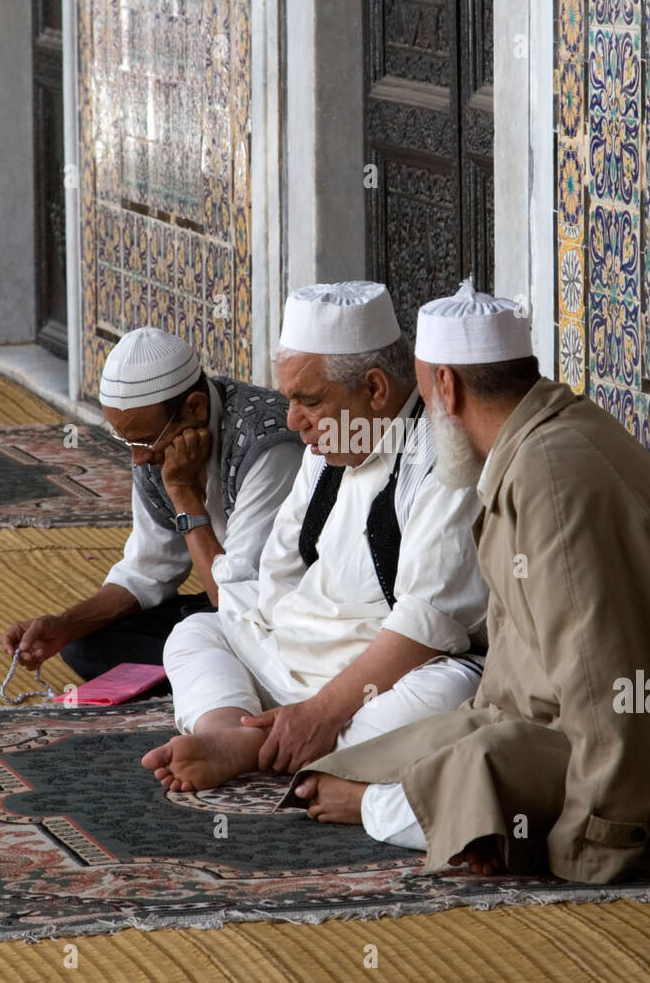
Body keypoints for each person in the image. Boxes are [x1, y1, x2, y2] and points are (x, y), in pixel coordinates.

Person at [283, 280, 650, 885]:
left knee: (478, 765)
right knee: (352, 764)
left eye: (422, 391)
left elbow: (614, 702)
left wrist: (587, 851)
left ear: (445, 385)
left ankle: (382, 808)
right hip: (552, 730)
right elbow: (510, 685)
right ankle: (393, 795)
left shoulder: (554, 480)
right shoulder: (532, 447)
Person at [141, 280, 488, 791]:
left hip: (384, 678)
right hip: (296, 654)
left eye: (309, 401)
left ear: (375, 389)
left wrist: (321, 712)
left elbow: (427, 624)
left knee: (451, 693)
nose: (293, 421)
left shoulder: (444, 459)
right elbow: (278, 571)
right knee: (197, 633)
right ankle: (227, 729)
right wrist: (274, 640)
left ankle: (258, 742)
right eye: (289, 401)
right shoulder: (329, 445)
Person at [1, 328, 303, 680]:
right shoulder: (151, 445)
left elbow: (237, 601)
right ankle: (214, 669)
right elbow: (148, 571)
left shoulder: (269, 444)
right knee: (83, 647)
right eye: (126, 440)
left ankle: (228, 671)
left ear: (196, 407)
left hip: (280, 610)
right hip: (225, 602)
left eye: (144, 441)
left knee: (229, 637)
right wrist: (64, 626)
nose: (138, 458)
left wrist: (183, 492)